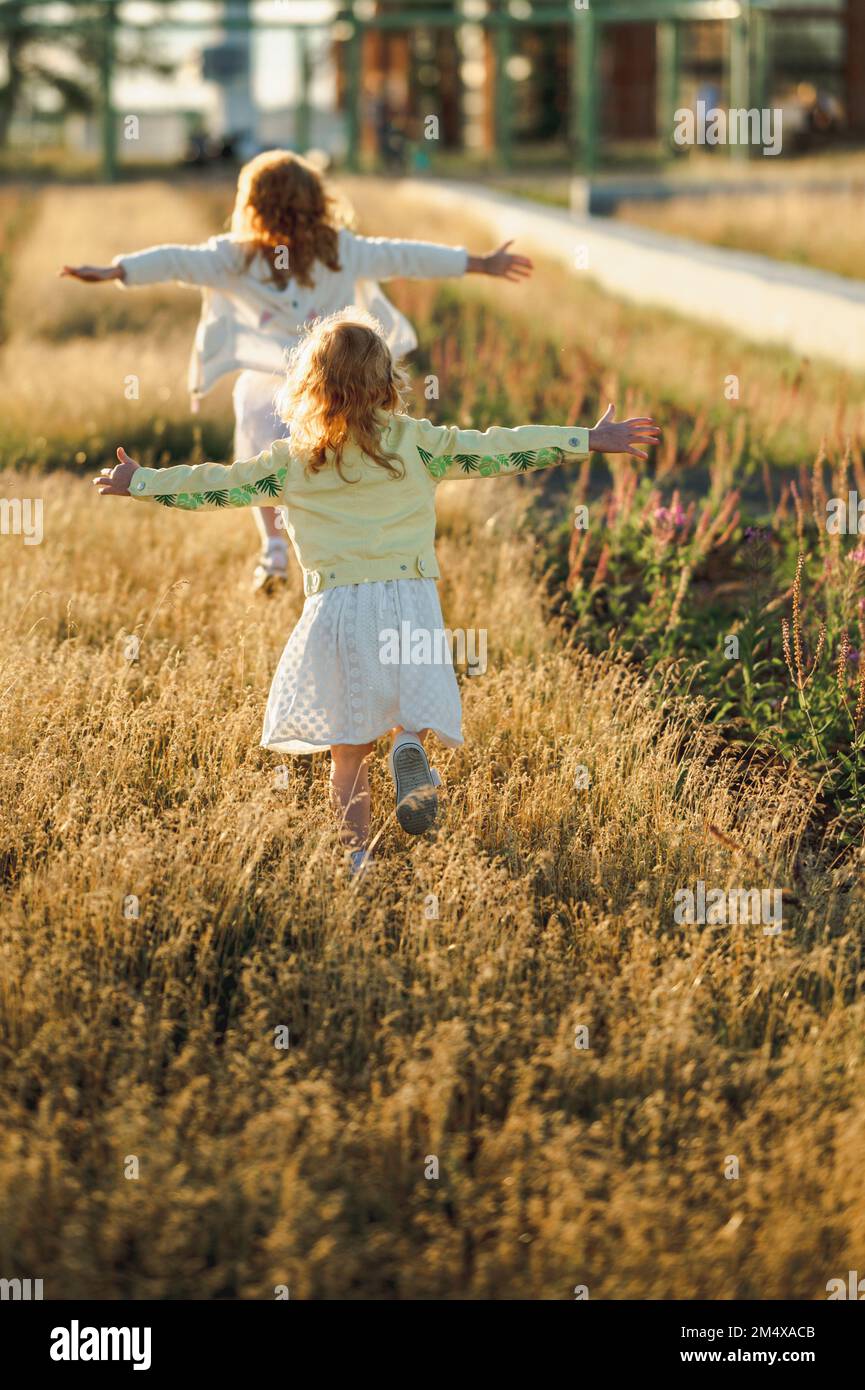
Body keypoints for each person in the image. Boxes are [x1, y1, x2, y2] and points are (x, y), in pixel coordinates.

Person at [92, 311, 660, 873]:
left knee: (347, 754)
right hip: (410, 601)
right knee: (403, 706)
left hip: (337, 610)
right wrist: (585, 438)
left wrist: (141, 482)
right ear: (387, 383)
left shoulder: (290, 463)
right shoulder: (418, 443)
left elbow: (216, 484)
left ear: (309, 385)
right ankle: (409, 743)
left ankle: (356, 860)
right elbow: (499, 448)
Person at [62, 148, 533, 592]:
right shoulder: (340, 249)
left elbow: (178, 261)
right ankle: (344, 538)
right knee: (353, 448)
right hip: (343, 381)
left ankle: (273, 546)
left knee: (259, 445)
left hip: (277, 387)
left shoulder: (237, 255)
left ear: (253, 204)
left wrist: (116, 270)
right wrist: (481, 263)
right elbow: (406, 255)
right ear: (316, 201)